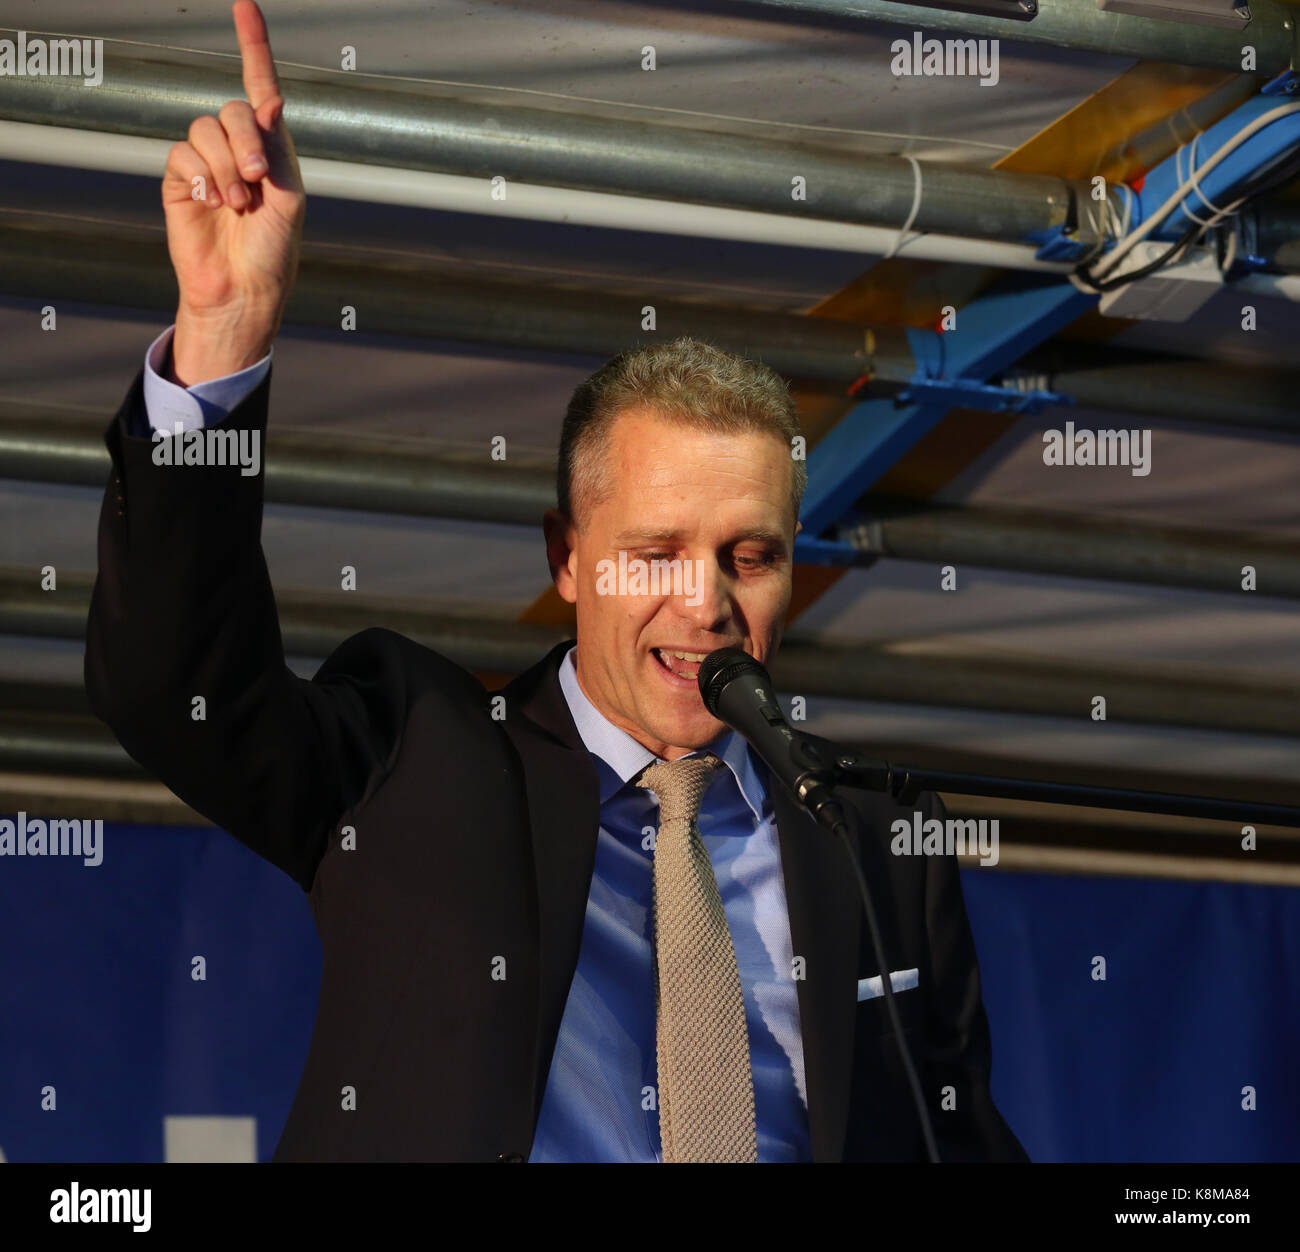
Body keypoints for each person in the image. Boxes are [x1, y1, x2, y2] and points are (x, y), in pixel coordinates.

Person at [85, 0, 1027, 1163]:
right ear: (565, 559)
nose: (708, 602)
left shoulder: (872, 839)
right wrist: (223, 336)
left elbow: (955, 1138)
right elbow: (171, 683)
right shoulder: (419, 753)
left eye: (751, 555)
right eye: (657, 550)